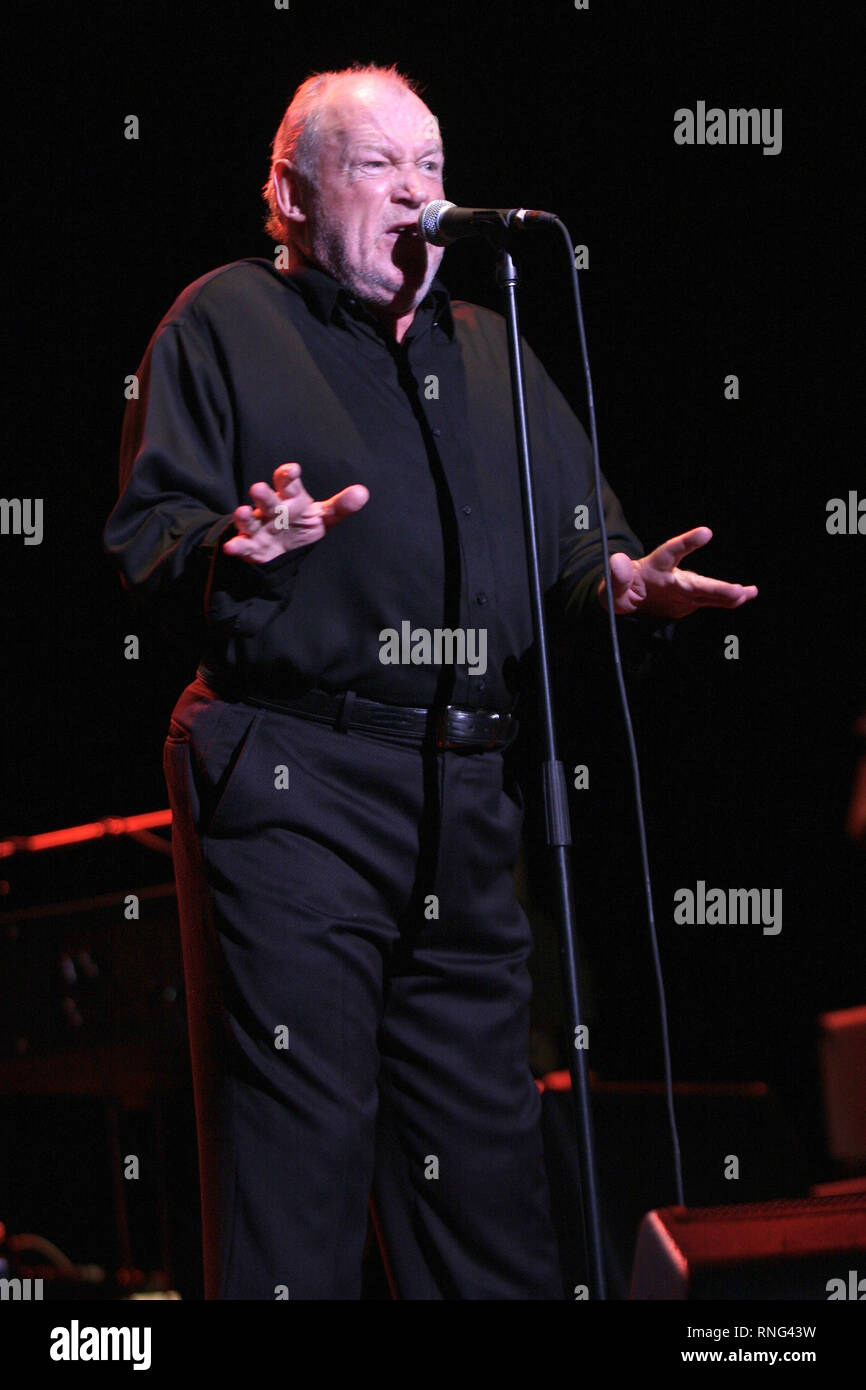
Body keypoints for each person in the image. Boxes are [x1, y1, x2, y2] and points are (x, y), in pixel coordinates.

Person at [103, 62, 757, 1300]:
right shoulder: (223, 320)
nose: (416, 193)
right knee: (295, 1165)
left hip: (461, 797)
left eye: (432, 168)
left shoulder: (490, 347)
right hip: (293, 777)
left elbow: (578, 547)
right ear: (289, 196)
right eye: (375, 167)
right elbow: (149, 539)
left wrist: (623, 584)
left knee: (487, 1186)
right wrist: (238, 547)